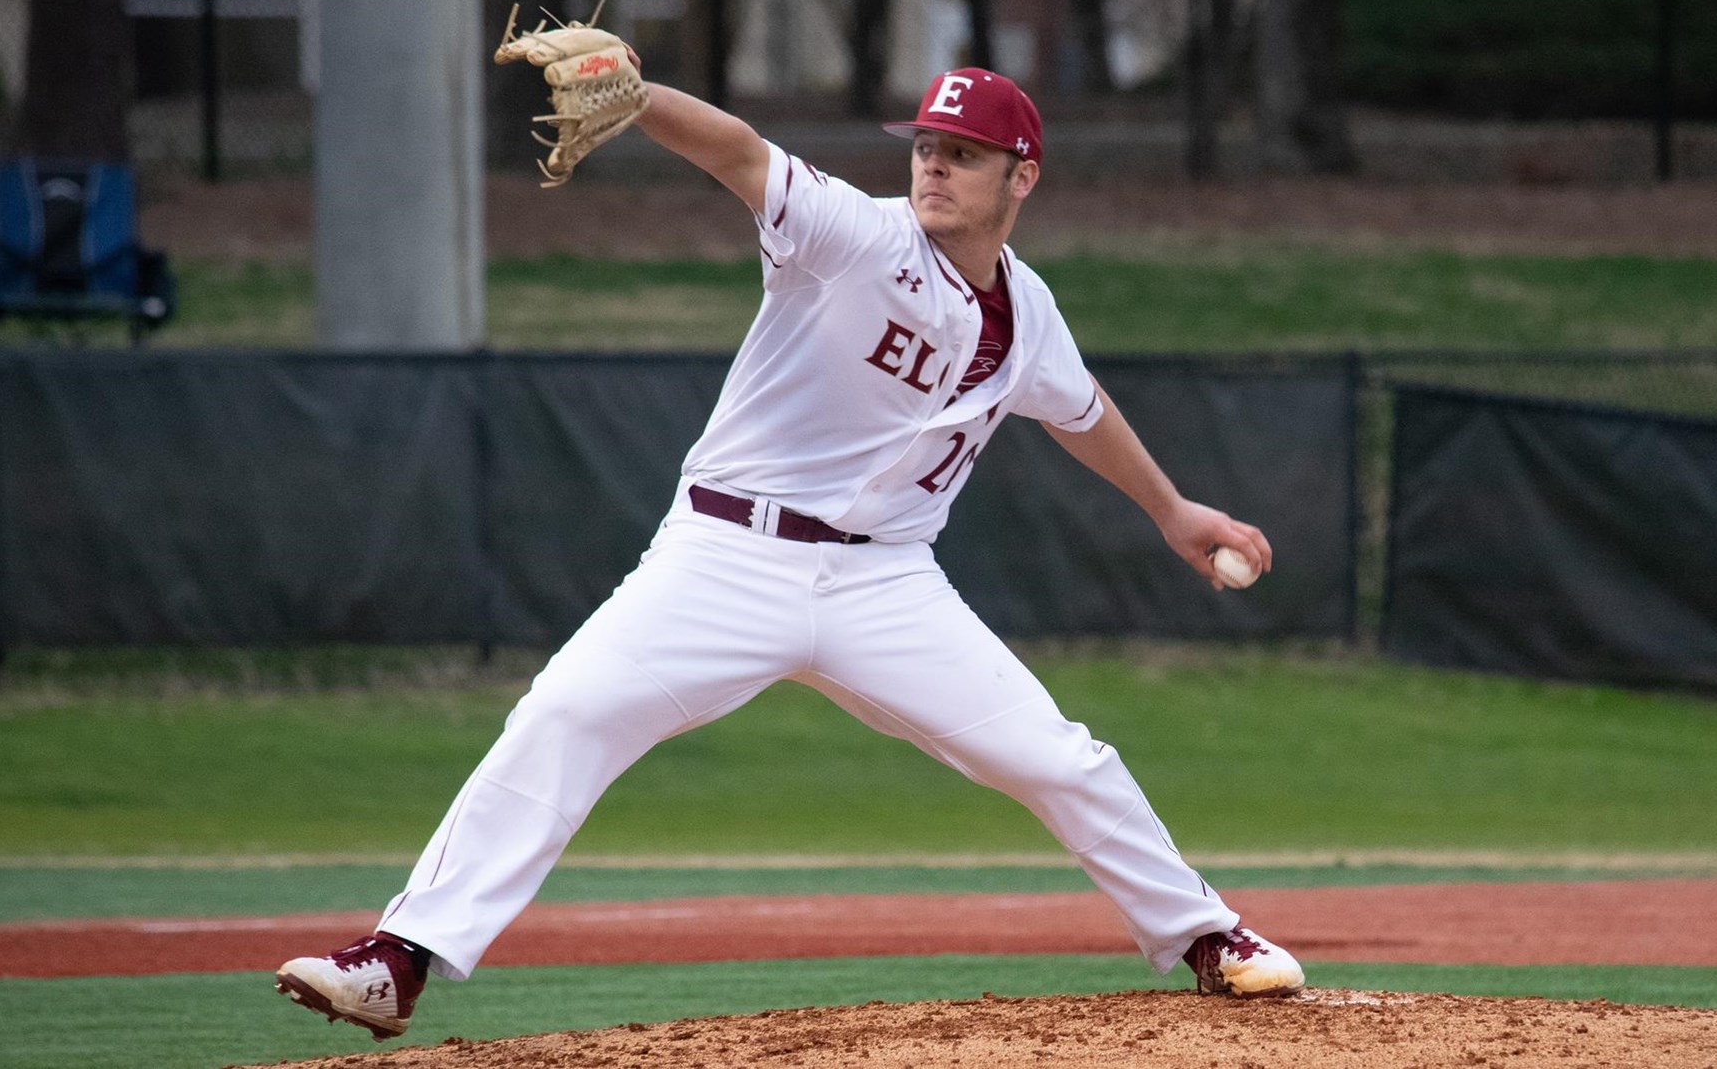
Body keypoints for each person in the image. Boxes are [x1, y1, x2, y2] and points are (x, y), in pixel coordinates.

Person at [274, 63, 1304, 1042]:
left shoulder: (1027, 310)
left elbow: (1080, 410)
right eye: (926, 147)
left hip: (887, 582)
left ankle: (1208, 935)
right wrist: (638, 99)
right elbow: (737, 151)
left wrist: (1171, 510)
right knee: (564, 712)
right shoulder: (855, 233)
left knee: (1056, 755)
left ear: (1021, 175)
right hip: (727, 552)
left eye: (964, 153)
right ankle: (398, 958)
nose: (934, 165)